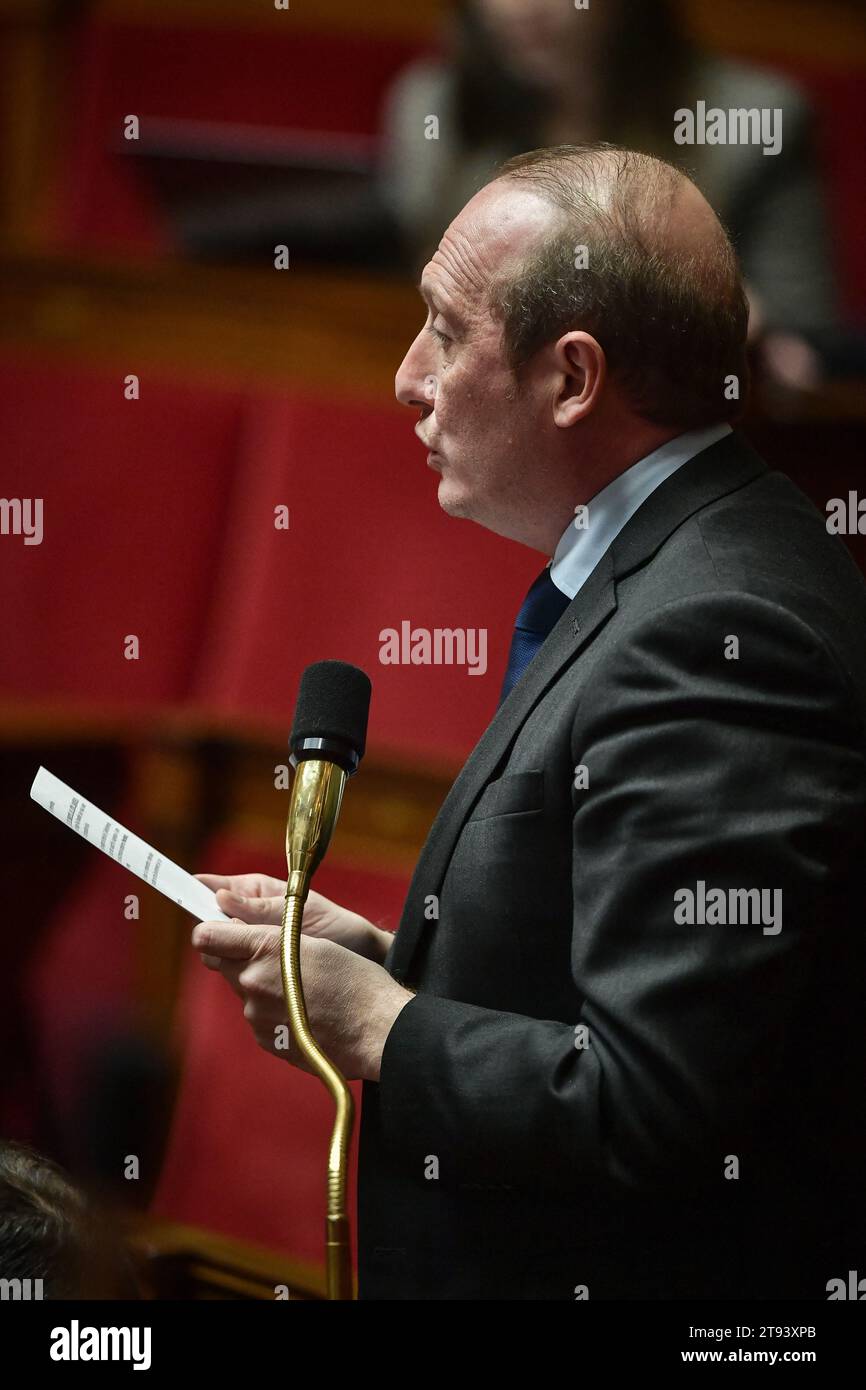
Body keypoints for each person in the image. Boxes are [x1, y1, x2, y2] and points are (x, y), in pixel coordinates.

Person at [193, 143, 866, 1299]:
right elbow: (622, 968)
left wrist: (383, 1030)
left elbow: (652, 1104)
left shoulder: (719, 635)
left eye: (446, 333)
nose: (407, 378)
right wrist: (395, 969)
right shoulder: (689, 561)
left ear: (570, 379)